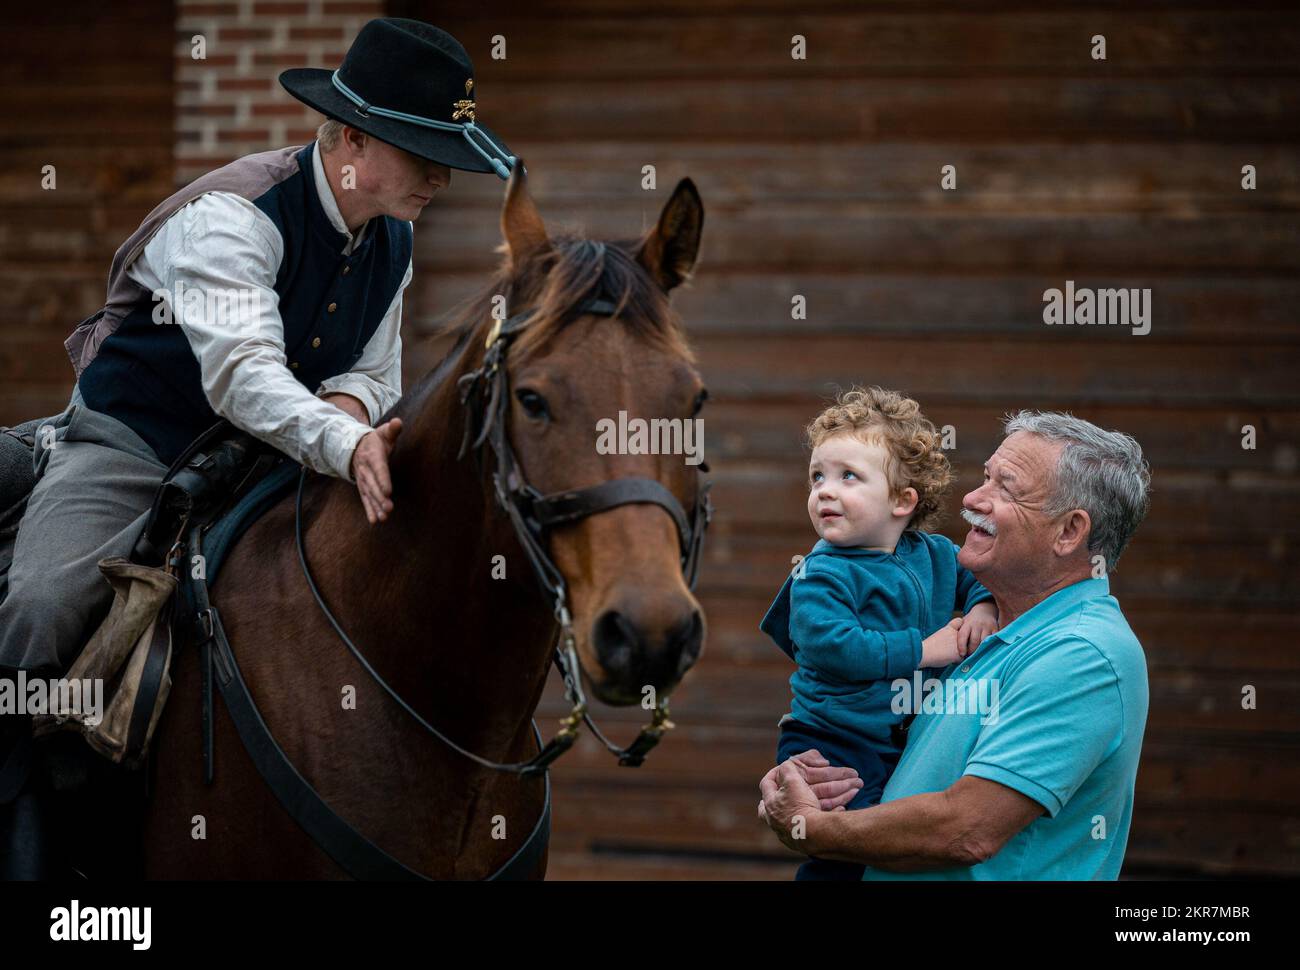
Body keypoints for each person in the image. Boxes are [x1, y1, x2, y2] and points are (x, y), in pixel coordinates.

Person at [0, 17, 519, 677]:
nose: (441, 179)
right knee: (42, 607)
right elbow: (242, 378)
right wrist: (348, 443)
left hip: (265, 462)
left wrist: (351, 410)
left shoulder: (395, 237)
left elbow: (373, 371)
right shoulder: (234, 217)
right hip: (133, 448)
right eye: (423, 153)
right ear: (354, 138)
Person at [759, 410, 1152, 879]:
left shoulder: (1081, 654)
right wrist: (801, 780)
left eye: (1005, 487)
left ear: (1069, 532)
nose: (972, 497)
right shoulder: (999, 627)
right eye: (985, 477)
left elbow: (967, 830)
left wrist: (810, 828)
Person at [759, 386, 997, 880]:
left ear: (901, 500)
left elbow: (975, 578)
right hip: (832, 737)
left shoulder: (931, 553)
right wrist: (924, 650)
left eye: (849, 476)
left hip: (900, 734)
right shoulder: (821, 572)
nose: (825, 489)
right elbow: (833, 647)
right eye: (817, 476)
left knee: (900, 836)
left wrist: (983, 606)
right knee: (845, 841)